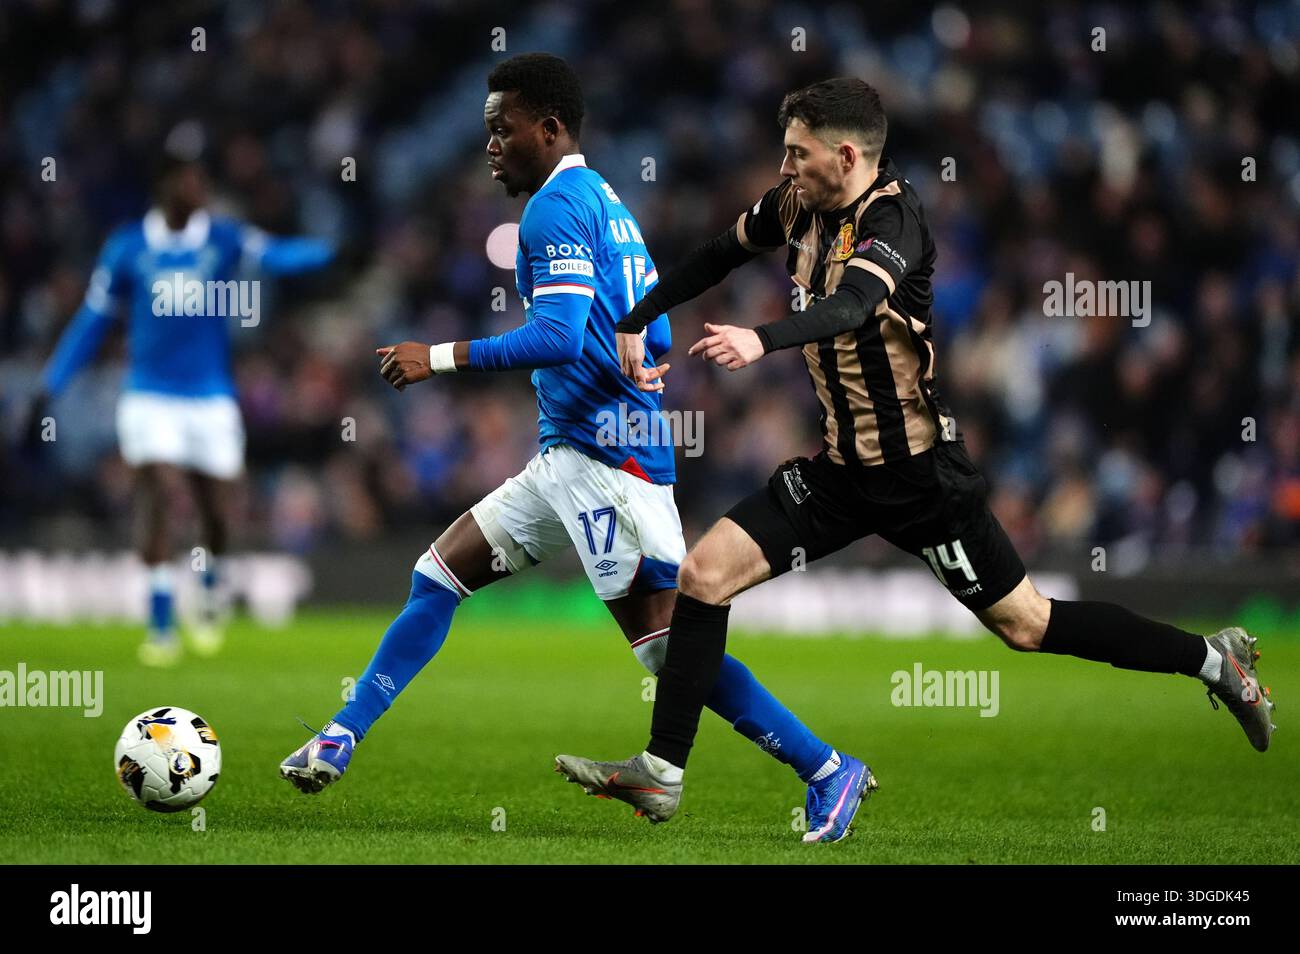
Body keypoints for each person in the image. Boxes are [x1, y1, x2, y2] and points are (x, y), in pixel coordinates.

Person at [554, 77, 1276, 838]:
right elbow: (717, 255)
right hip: (837, 474)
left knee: (1026, 624)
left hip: (920, 479)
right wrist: (638, 316)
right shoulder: (795, 203)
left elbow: (854, 306)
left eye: (798, 152)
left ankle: (1212, 661)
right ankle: (663, 772)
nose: (785, 165)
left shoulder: (895, 218)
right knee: (704, 576)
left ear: (844, 153)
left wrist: (759, 339)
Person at [279, 55, 871, 842]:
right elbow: (652, 324)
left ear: (548, 128)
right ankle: (339, 735)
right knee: (438, 575)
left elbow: (558, 337)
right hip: (570, 456)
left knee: (668, 652)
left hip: (607, 466)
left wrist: (439, 357)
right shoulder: (608, 204)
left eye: (502, 129)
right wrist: (637, 349)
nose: (490, 144)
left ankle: (827, 769)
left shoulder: (554, 211)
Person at [31, 136, 334, 666]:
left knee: (216, 511)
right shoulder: (127, 247)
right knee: (157, 489)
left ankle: (211, 585)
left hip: (210, 396)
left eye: (203, 178)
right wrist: (51, 384)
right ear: (166, 185)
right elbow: (91, 321)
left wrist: (329, 253)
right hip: (148, 394)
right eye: (190, 178)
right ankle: (162, 620)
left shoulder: (223, 237)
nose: (201, 188)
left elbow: (278, 257)